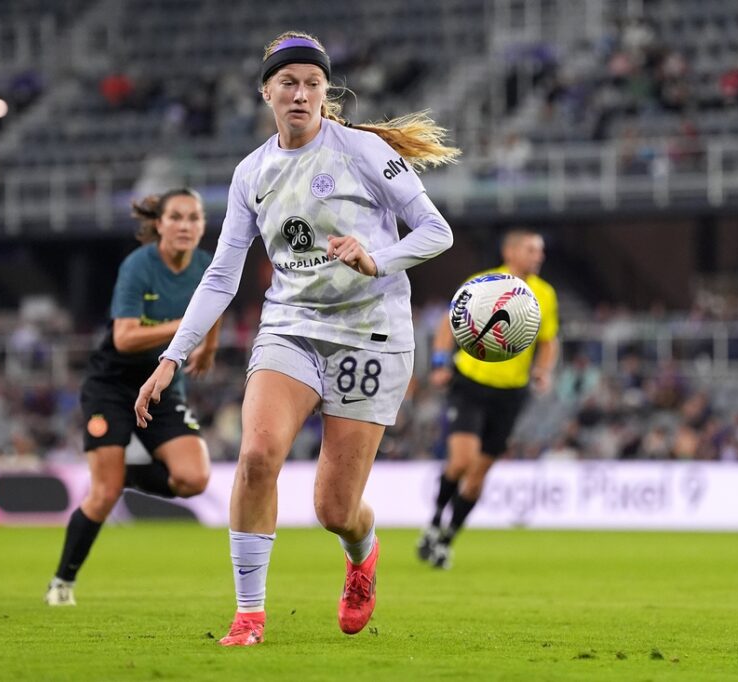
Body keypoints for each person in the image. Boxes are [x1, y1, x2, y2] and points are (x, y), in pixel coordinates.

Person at [135, 31, 460, 646]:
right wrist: (171, 357)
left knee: (335, 510)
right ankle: (249, 614)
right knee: (257, 456)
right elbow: (222, 275)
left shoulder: (363, 151)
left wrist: (377, 259)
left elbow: (435, 230)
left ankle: (362, 555)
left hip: (371, 333)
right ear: (267, 93)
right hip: (292, 327)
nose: (302, 93)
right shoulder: (251, 173)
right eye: (289, 82)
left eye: (313, 83)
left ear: (325, 92)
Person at [44, 188, 221, 606]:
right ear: (159, 224)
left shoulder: (206, 266)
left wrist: (209, 347)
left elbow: (216, 302)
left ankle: (126, 474)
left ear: (202, 226)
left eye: (194, 218)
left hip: (160, 384)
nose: (185, 226)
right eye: (176, 217)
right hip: (111, 385)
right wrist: (186, 326)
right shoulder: (138, 266)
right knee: (103, 495)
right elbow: (123, 338)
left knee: (193, 479)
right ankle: (62, 582)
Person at [418, 229, 559, 569]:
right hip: (470, 384)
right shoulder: (484, 284)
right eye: (531, 249)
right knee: (461, 462)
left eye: (540, 250)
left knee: (479, 474)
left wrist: (543, 370)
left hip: (510, 394)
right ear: (510, 252)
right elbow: (448, 324)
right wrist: (440, 362)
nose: (538, 256)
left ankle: (446, 540)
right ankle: (434, 522)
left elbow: (548, 340)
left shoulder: (545, 293)